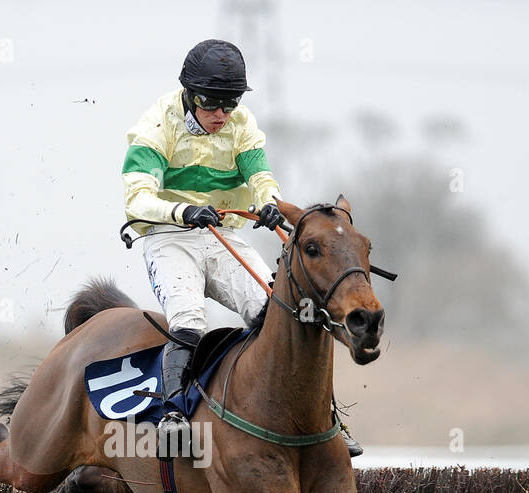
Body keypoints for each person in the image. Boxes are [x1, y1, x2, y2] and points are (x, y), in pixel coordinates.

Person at [122, 39, 361, 456]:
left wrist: (269, 204)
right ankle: (173, 415)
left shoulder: (241, 123)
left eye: (229, 105)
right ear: (190, 95)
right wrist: (183, 212)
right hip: (168, 237)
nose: (221, 115)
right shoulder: (156, 124)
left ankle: (329, 417)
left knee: (279, 315)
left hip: (222, 236)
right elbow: (137, 199)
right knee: (189, 322)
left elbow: (261, 175)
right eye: (212, 105)